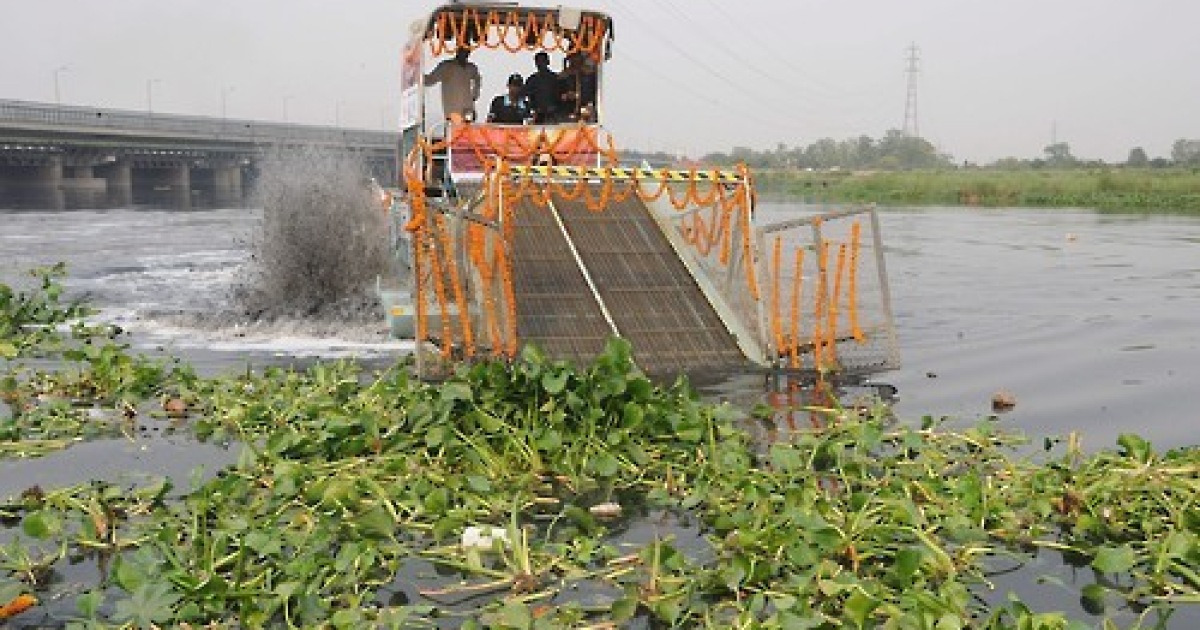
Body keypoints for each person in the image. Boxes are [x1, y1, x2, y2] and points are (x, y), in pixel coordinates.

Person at [424, 48, 481, 122]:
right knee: (454, 129)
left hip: (468, 111)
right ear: (457, 51)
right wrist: (416, 76)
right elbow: (430, 80)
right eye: (463, 50)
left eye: (467, 50)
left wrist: (475, 94)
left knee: (469, 130)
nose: (465, 53)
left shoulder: (471, 68)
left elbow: (478, 80)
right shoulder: (446, 66)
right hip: (453, 110)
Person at [558, 52, 598, 122]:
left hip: (586, 108)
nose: (575, 60)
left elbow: (594, 91)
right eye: (573, 58)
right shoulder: (564, 76)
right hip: (568, 111)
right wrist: (567, 95)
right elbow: (558, 94)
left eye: (577, 57)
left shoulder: (589, 74)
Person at [522, 51, 560, 124]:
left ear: (547, 62)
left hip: (554, 115)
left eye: (542, 61)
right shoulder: (532, 79)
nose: (540, 64)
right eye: (538, 61)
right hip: (538, 115)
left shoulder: (556, 78)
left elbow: (560, 96)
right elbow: (524, 95)